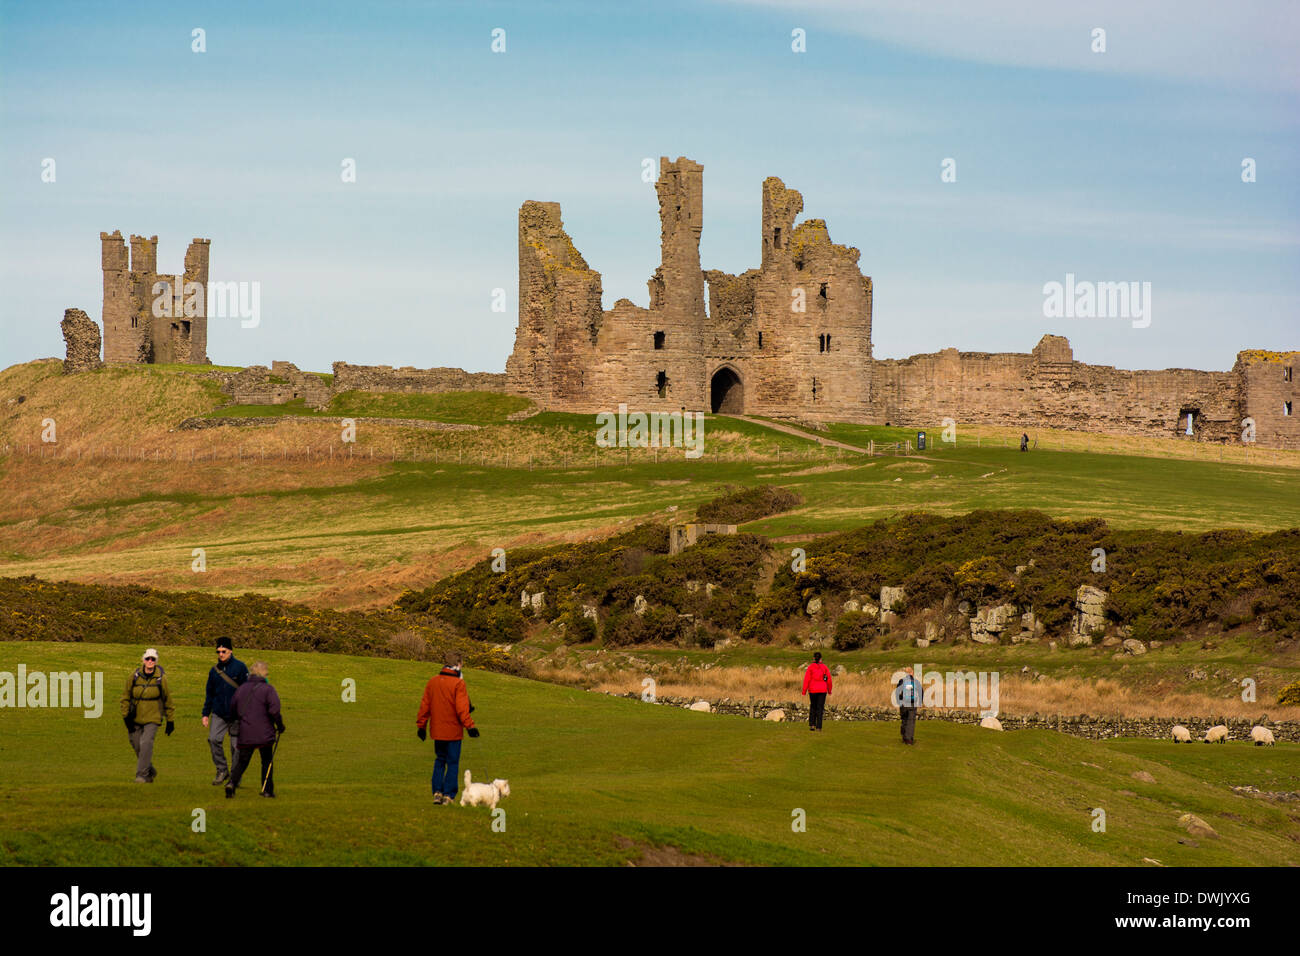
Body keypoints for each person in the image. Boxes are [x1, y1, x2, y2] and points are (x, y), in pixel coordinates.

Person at [416, 650, 478, 804]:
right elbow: (462, 709)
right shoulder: (458, 683)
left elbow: (425, 706)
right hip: (453, 731)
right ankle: (449, 795)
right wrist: (470, 726)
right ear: (458, 664)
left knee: (440, 760)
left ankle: (437, 792)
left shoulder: (433, 681)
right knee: (452, 763)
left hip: (437, 730)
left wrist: (421, 726)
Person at [225, 661, 284, 798]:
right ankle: (267, 790)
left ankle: (232, 783)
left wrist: (235, 721)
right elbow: (274, 710)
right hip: (264, 732)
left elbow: (233, 708)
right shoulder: (268, 689)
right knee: (267, 760)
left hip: (246, 730)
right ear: (264, 673)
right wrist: (280, 726)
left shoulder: (242, 689)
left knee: (242, 761)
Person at [120, 648, 174, 783]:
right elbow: (125, 696)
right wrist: (126, 716)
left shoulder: (161, 679)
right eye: (147, 659)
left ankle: (142, 775)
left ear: (156, 661)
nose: (150, 661)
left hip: (153, 717)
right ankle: (150, 770)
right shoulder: (134, 676)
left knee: (146, 744)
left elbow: (168, 700)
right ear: (143, 660)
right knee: (136, 744)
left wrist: (170, 720)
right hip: (135, 717)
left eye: (153, 659)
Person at [201, 636, 249, 786]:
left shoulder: (240, 668)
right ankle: (222, 770)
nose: (220, 654)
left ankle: (235, 776)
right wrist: (205, 713)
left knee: (236, 747)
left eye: (224, 651)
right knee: (213, 739)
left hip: (237, 714)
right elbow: (209, 693)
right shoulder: (214, 671)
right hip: (218, 712)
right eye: (218, 651)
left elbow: (247, 691)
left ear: (231, 651)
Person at [801, 651, 832, 732]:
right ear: (821, 658)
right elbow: (829, 680)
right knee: (820, 708)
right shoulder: (825, 667)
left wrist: (804, 690)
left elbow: (806, 679)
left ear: (813, 658)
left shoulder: (810, 667)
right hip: (822, 690)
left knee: (813, 707)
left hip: (813, 690)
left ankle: (812, 724)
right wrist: (829, 690)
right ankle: (819, 727)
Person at [895, 666, 921, 745]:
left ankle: (904, 737)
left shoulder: (902, 681)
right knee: (911, 721)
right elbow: (920, 692)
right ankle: (909, 740)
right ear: (912, 673)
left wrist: (898, 701)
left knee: (904, 720)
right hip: (913, 704)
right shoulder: (916, 682)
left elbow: (897, 692)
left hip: (903, 703)